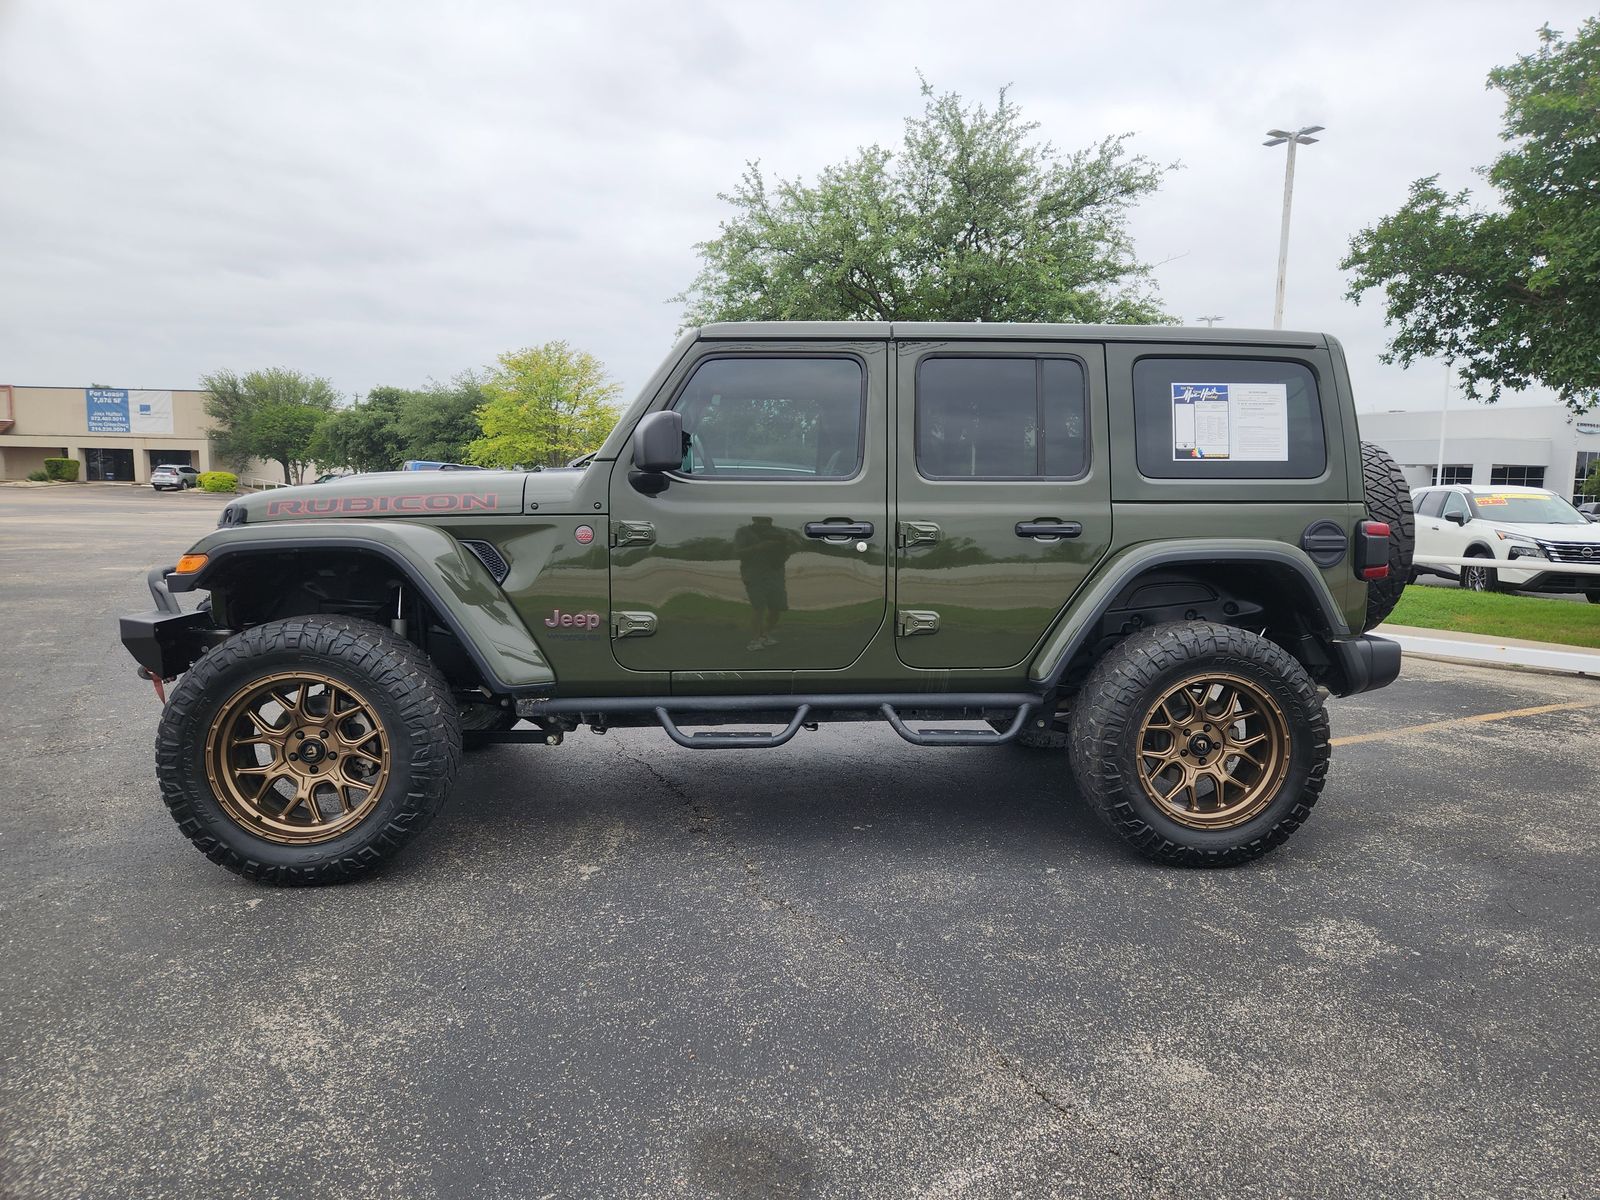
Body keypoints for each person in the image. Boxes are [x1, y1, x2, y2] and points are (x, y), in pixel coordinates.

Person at [733, 516, 796, 651]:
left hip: (776, 575)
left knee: (777, 608)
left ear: (771, 520)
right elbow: (737, 553)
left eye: (766, 520)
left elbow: (792, 549)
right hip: (754, 575)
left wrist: (787, 544)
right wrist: (758, 547)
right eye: (759, 520)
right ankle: (755, 640)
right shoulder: (743, 532)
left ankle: (765, 635)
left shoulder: (780, 532)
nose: (763, 523)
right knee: (758, 607)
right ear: (754, 519)